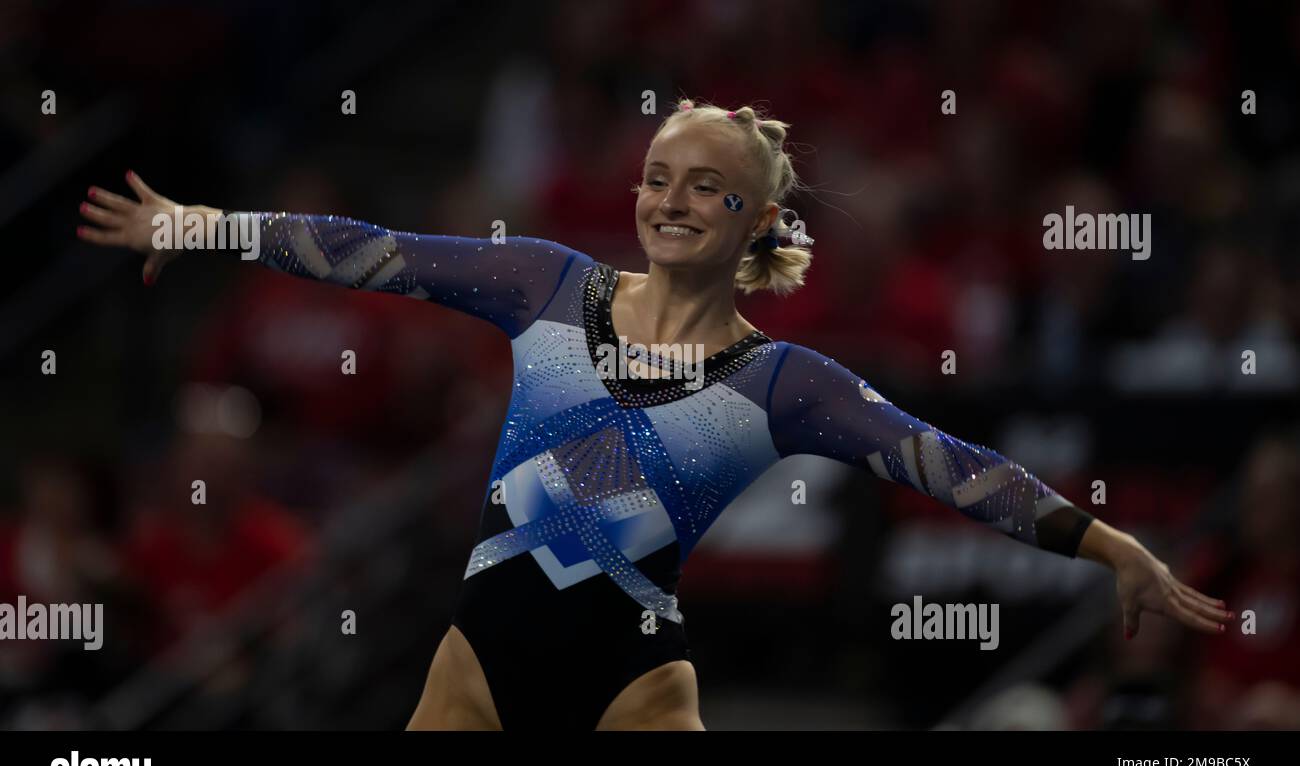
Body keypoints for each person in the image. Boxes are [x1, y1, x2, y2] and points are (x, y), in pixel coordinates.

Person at [76, 99, 1233, 730]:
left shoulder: (782, 385)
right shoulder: (541, 282)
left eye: (703, 185)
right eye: (655, 175)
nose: (668, 199)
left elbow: (943, 462)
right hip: (476, 663)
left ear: (755, 223)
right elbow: (366, 254)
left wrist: (1106, 540)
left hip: (631, 687)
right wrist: (197, 223)